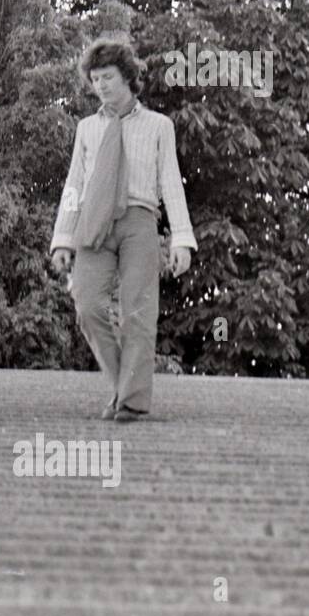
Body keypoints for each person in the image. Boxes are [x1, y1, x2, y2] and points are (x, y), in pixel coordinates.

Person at [49, 38, 196, 422]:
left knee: (138, 312)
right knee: (86, 303)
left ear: (128, 77)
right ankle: (122, 386)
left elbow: (171, 183)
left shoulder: (158, 126)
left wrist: (181, 238)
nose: (101, 85)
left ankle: (130, 402)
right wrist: (62, 238)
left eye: (108, 77)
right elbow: (73, 185)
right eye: (95, 79)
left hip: (139, 219)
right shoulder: (86, 128)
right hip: (94, 223)